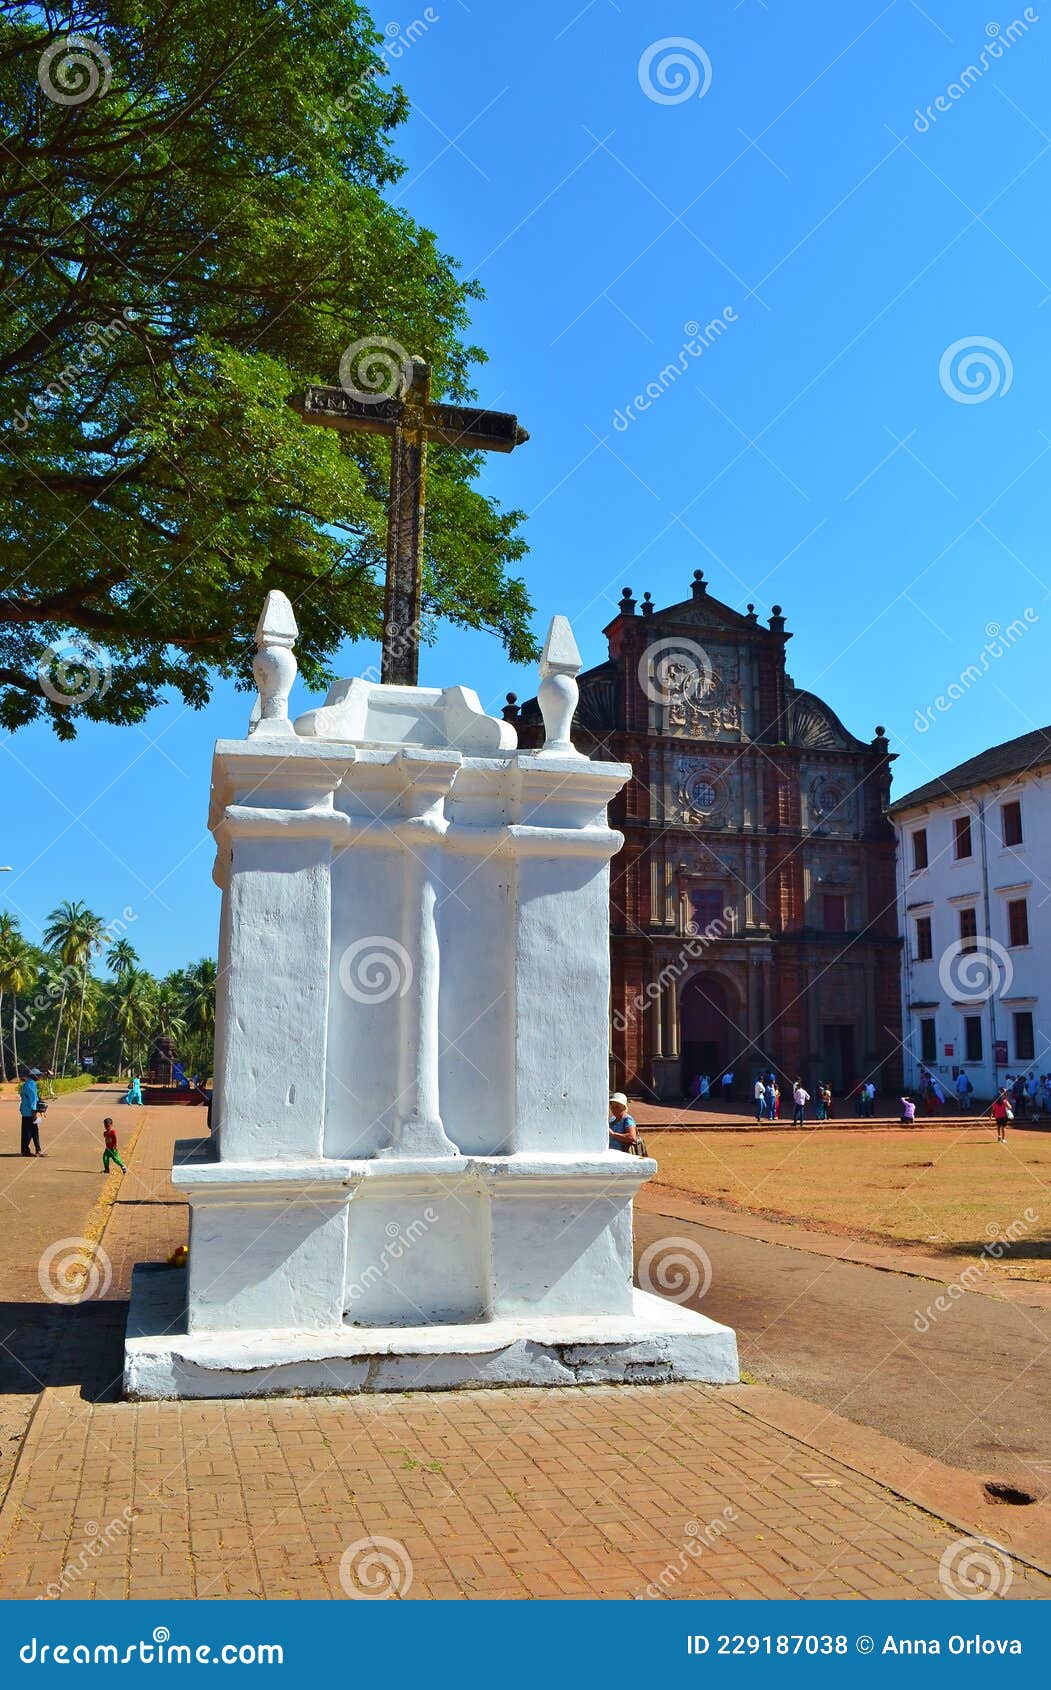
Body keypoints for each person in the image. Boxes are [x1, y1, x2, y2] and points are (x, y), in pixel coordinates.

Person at [18, 1070, 44, 1157]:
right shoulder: (31, 1084)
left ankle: (37, 1150)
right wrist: (34, 1113)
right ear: (34, 1076)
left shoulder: (27, 1083)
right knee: (28, 1132)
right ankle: (26, 1151)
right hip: (29, 1112)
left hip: (26, 1111)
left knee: (33, 1131)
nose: (39, 1077)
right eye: (38, 1075)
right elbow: (32, 1099)